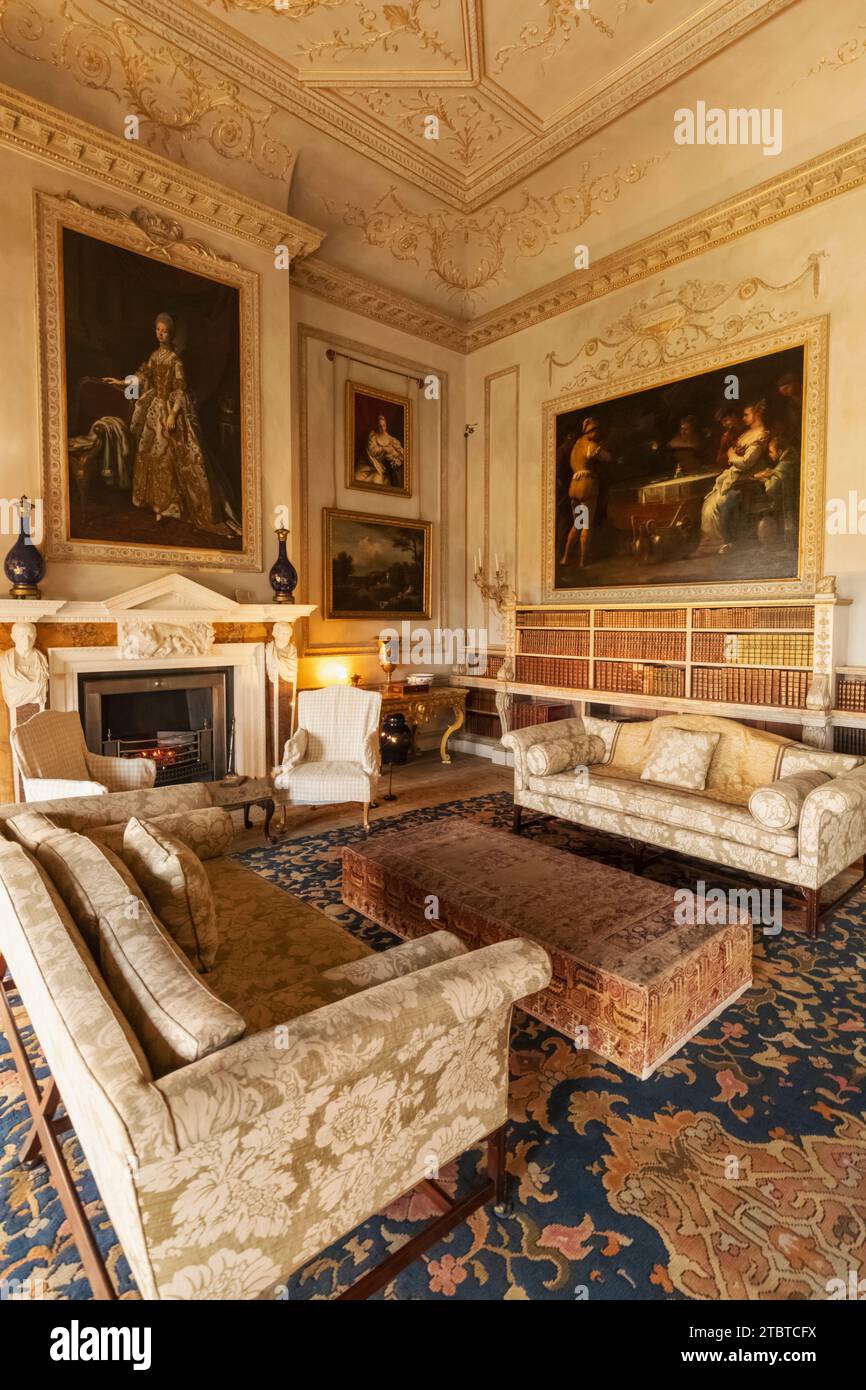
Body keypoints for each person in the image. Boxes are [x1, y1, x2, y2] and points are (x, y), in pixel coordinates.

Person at [103, 312, 239, 535]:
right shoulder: (154, 356)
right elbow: (142, 377)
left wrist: (173, 415)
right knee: (148, 455)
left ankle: (168, 507)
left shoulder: (176, 361)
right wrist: (122, 382)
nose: (160, 334)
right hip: (153, 407)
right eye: (158, 329)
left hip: (168, 410)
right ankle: (153, 502)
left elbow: (180, 389)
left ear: (171, 333)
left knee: (167, 457)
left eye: (164, 330)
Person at [700, 399, 770, 552]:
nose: (743, 418)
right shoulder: (747, 433)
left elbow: (746, 462)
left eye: (746, 415)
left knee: (722, 502)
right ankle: (718, 542)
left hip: (750, 479)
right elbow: (735, 456)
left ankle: (729, 541)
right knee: (710, 503)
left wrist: (732, 455)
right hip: (738, 476)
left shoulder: (762, 434)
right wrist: (733, 454)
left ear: (756, 414)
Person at [559, 417, 613, 568]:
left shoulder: (576, 445)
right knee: (586, 525)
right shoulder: (591, 446)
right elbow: (608, 458)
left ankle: (565, 558)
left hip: (574, 487)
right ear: (591, 431)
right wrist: (602, 448)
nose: (597, 434)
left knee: (577, 524)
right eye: (595, 431)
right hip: (586, 486)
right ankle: (583, 561)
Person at [359, 413, 405, 486]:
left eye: (384, 425)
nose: (382, 428)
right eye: (380, 426)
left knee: (376, 481)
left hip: (380, 468)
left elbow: (402, 452)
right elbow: (372, 451)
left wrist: (398, 457)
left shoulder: (391, 439)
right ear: (377, 425)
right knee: (358, 478)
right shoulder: (372, 435)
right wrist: (384, 449)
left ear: (386, 425)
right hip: (369, 463)